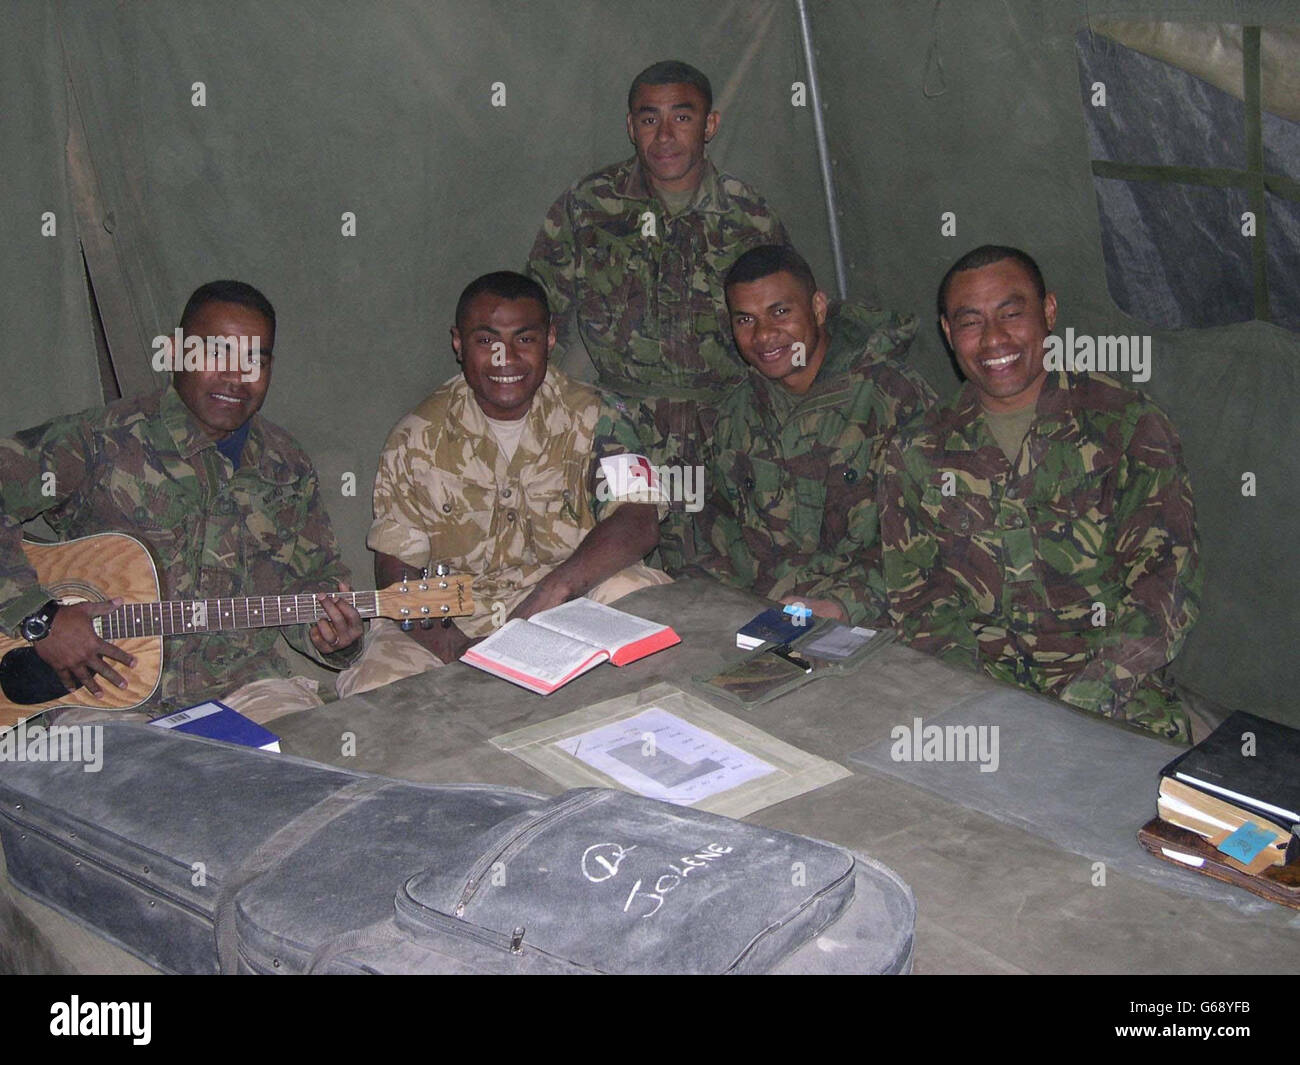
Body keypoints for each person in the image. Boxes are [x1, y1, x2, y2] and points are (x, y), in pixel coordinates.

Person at [0, 280, 364, 724]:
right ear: (176, 353)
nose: (236, 377)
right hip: (106, 697)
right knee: (111, 789)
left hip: (247, 690)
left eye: (255, 360)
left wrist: (332, 635)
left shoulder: (285, 464)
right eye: (215, 354)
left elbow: (315, 579)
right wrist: (39, 617)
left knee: (313, 767)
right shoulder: (100, 440)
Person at [879, 245, 1202, 741]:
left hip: (1115, 694)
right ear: (947, 333)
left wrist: (1087, 701)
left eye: (1011, 314)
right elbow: (920, 599)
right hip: (976, 696)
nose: (993, 339)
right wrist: (967, 700)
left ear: (1048, 312)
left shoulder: (1127, 425)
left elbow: (1166, 583)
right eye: (970, 322)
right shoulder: (918, 449)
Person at [336, 271, 670, 696]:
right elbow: (398, 571)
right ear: (459, 343)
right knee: (376, 688)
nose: (504, 358)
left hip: (568, 599)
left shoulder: (595, 415)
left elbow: (638, 520)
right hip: (453, 619)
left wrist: (556, 590)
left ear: (549, 340)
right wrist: (460, 650)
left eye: (524, 340)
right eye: (486, 340)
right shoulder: (416, 437)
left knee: (638, 594)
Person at [527, 59, 788, 570]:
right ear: (631, 127)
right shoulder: (588, 207)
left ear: (710, 124)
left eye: (683, 118)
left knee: (728, 582)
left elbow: (784, 330)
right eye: (649, 119)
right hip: (621, 431)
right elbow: (538, 323)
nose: (665, 136)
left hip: (724, 432)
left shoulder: (749, 216)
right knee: (622, 581)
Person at [691, 244, 936, 625]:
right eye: (745, 320)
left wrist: (843, 603)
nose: (764, 335)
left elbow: (934, 534)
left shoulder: (892, 397)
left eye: (780, 312)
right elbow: (715, 532)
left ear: (818, 308)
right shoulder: (733, 415)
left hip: (880, 617)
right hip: (768, 616)